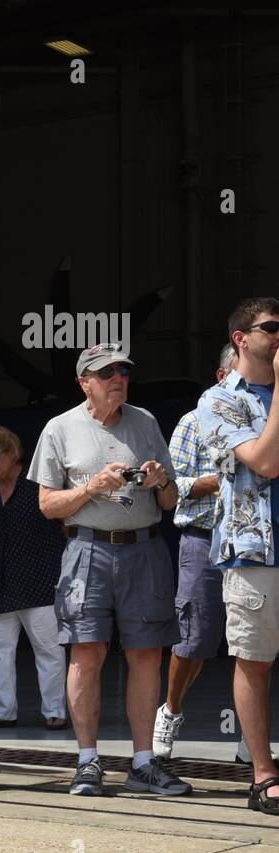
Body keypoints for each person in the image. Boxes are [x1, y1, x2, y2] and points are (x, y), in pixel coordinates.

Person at [29, 343, 190, 797]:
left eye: (122, 371)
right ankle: (87, 761)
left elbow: (171, 501)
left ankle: (143, 762)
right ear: (84, 383)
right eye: (106, 373)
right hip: (88, 551)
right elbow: (45, 505)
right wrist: (94, 485)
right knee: (86, 653)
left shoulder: (146, 422)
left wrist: (162, 482)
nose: (117, 378)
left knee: (145, 654)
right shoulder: (59, 428)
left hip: (145, 550)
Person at [195, 298, 279, 815]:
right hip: (256, 551)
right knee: (255, 662)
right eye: (273, 327)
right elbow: (265, 461)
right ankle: (264, 774)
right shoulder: (221, 400)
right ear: (243, 338)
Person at [153, 342, 238, 759]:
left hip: (252, 546)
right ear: (222, 377)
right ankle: (170, 711)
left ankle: (249, 738)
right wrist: (216, 482)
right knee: (196, 639)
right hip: (203, 541)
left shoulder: (265, 423)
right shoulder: (192, 422)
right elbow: (172, 485)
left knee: (253, 645)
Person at [0, 426, 68, 730]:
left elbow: (64, 525)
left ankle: (55, 710)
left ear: (12, 453)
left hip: (38, 579)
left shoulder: (37, 484)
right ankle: (4, 710)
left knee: (48, 648)